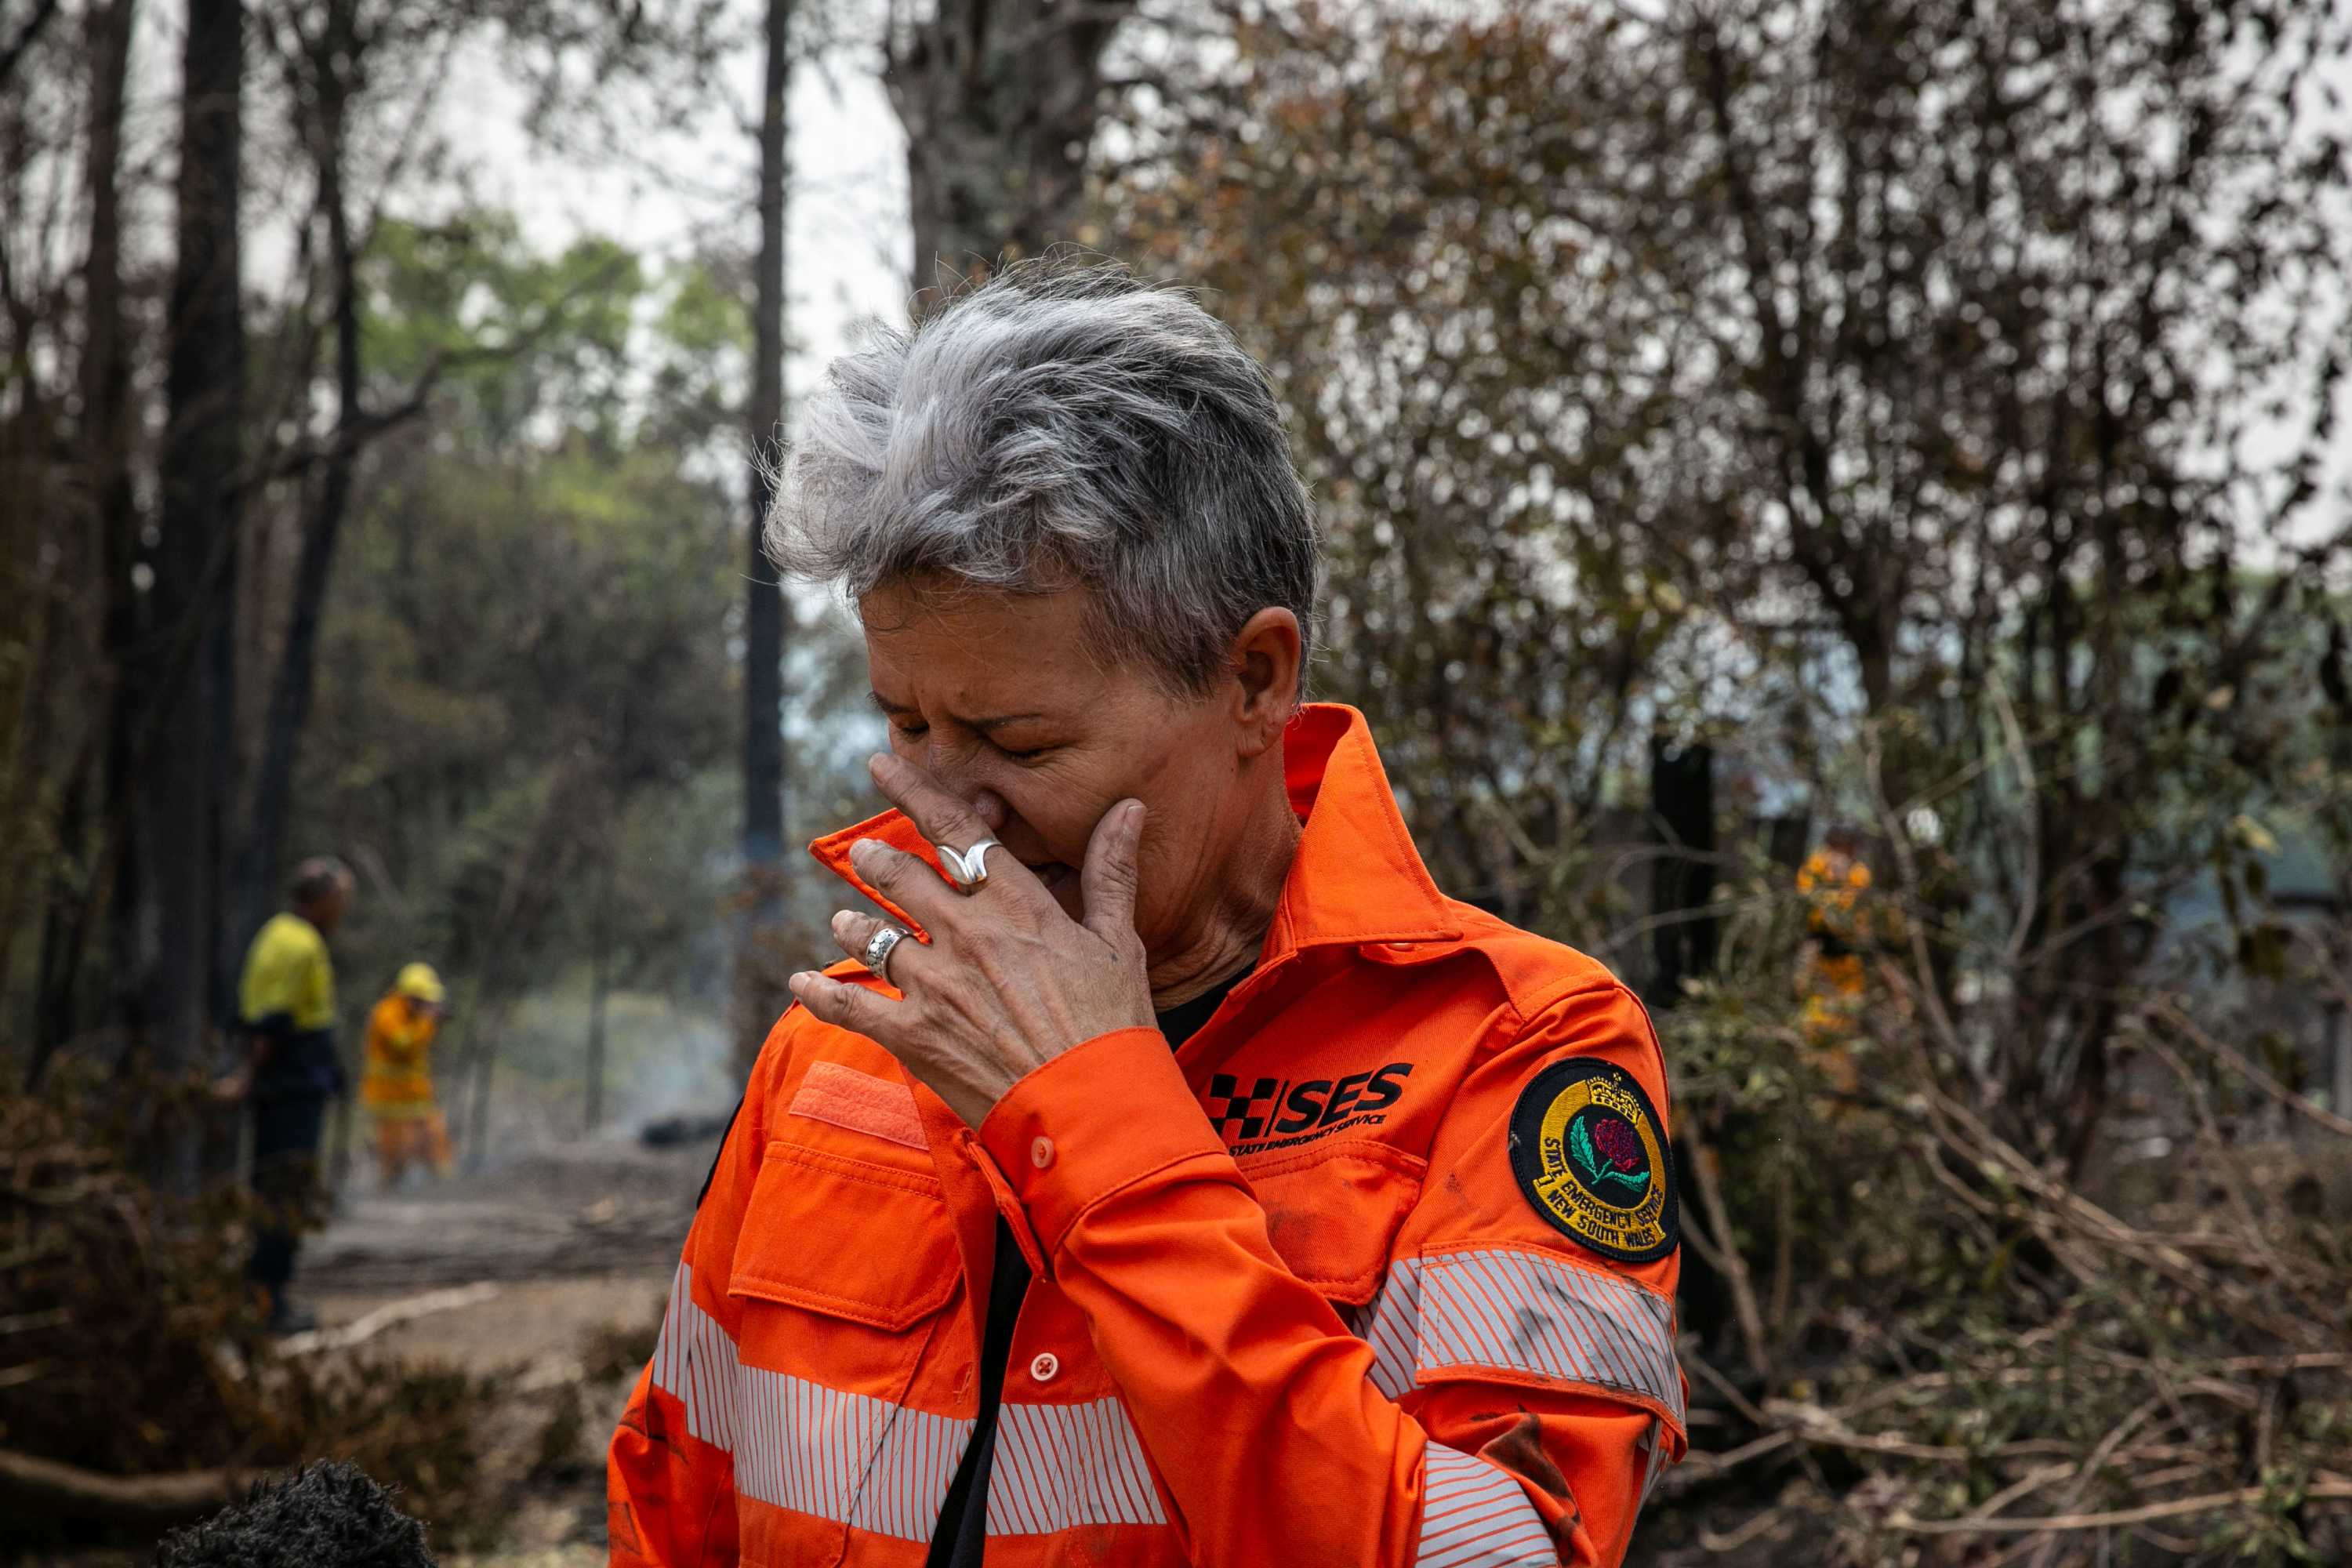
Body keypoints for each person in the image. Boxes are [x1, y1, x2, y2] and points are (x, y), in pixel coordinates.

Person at [607, 260, 1686, 1568]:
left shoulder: (1511, 1048)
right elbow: (671, 1513)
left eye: (1018, 740)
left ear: (1251, 679)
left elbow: (1509, 1557)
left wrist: (1101, 1124)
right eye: (904, 723)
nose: (949, 810)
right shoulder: (844, 1046)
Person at [219, 857, 353, 1334]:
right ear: (319, 899)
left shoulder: (278, 935)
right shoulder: (296, 943)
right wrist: (247, 1076)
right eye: (340, 898)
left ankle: (263, 1297)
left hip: (293, 1086)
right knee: (284, 1193)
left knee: (278, 1191)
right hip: (290, 1090)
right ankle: (266, 1304)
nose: (344, 909)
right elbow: (270, 1023)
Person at [361, 963, 452, 1186]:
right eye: (423, 1001)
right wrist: (427, 1022)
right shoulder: (387, 1013)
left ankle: (443, 1185)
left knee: (433, 1136)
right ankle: (388, 1190)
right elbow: (403, 1045)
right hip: (389, 1096)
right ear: (410, 997)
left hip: (414, 1093)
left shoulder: (416, 1017)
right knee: (394, 1147)